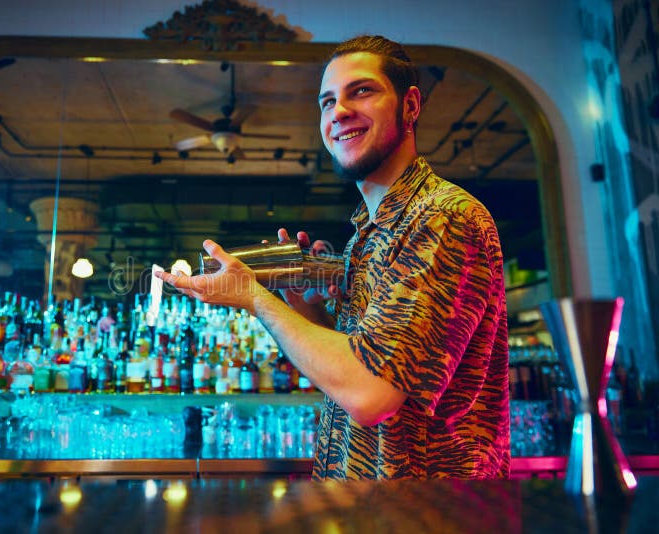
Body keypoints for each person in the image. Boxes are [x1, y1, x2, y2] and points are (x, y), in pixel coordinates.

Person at [157, 35, 510, 480]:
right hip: (366, 507)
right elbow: (360, 362)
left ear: (410, 105)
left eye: (361, 91)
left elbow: (371, 394)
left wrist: (253, 297)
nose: (338, 111)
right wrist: (300, 304)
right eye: (327, 102)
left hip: (429, 512)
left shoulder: (443, 217)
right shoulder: (369, 229)